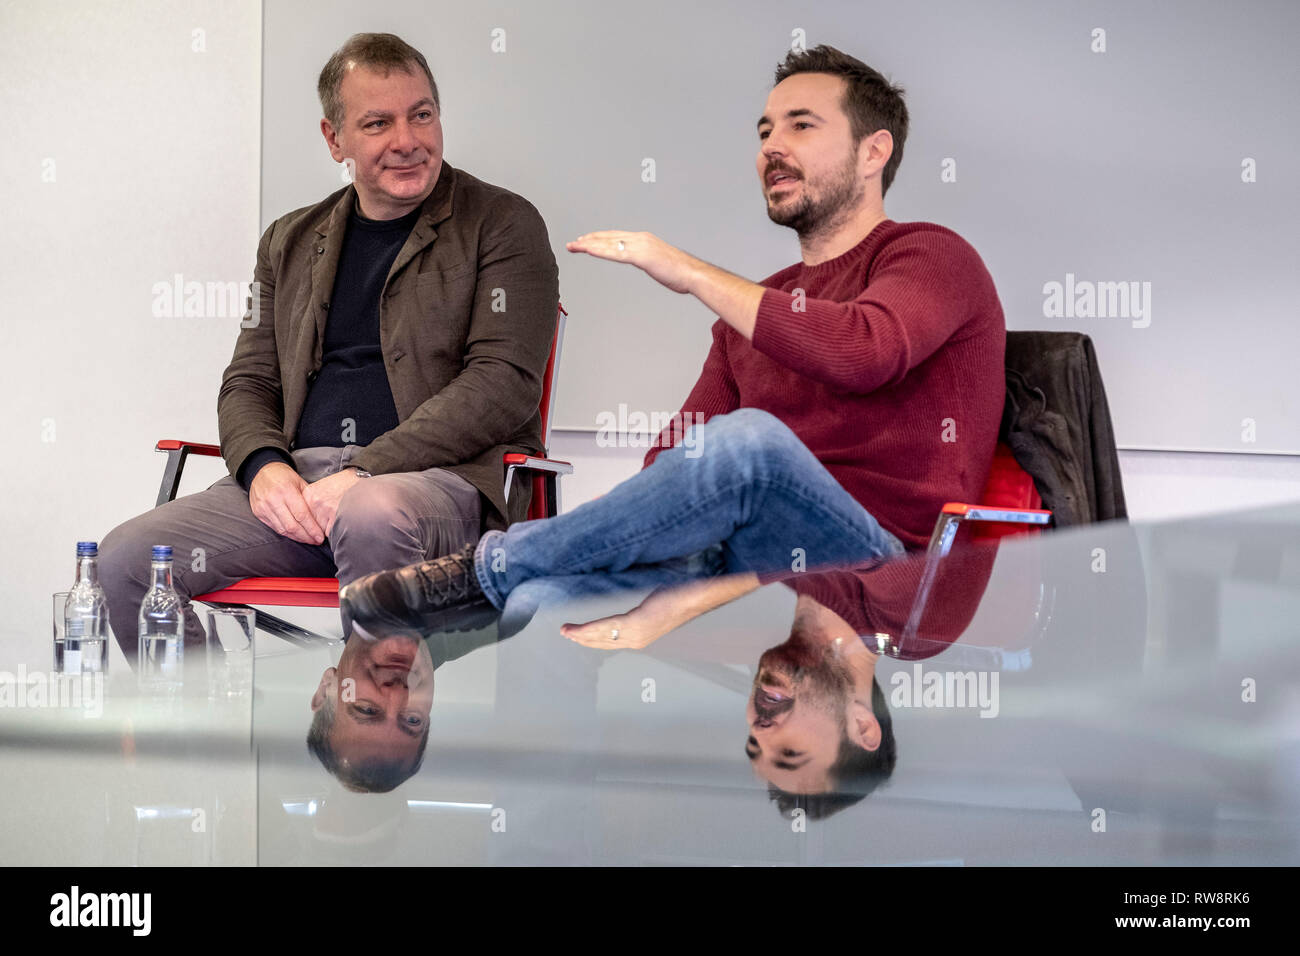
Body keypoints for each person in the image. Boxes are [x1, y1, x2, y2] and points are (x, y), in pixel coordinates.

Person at [340, 44, 1006, 643]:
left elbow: (865, 352)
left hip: (883, 572)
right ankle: (548, 769)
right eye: (765, 131)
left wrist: (689, 273)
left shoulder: (932, 257)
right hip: (738, 558)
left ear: (873, 152)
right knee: (543, 606)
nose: (772, 146)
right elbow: (675, 464)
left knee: (751, 443)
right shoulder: (749, 314)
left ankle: (486, 568)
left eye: (802, 125)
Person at [98, 33, 559, 659]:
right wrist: (264, 468)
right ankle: (204, 738)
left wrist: (364, 471)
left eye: (422, 114)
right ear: (334, 138)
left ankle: (373, 736)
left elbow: (503, 384)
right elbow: (249, 382)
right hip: (300, 491)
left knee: (371, 513)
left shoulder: (502, 223)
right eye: (378, 123)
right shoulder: (289, 239)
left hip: (431, 487)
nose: (408, 140)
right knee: (125, 562)